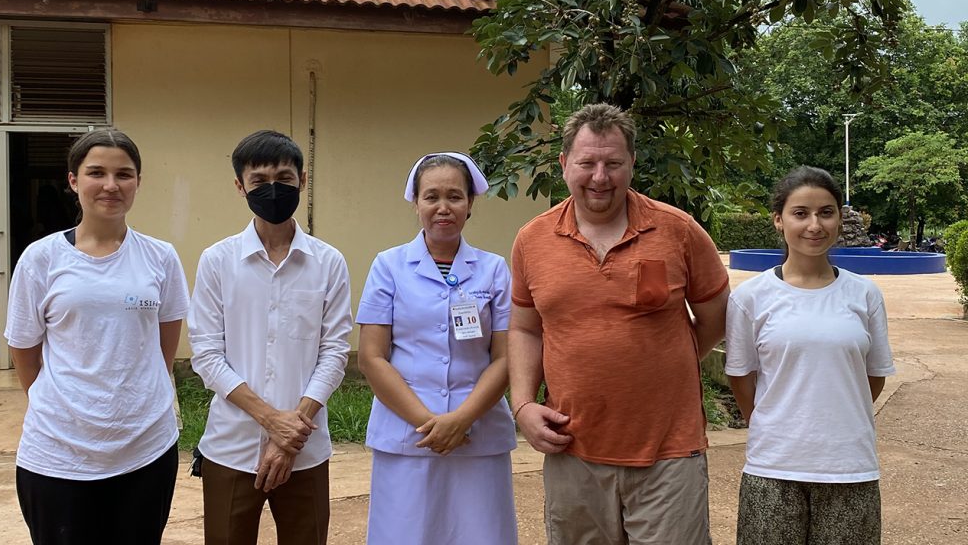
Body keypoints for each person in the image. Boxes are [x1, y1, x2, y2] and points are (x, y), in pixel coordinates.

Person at [508, 103, 730, 544]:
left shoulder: (678, 231)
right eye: (587, 163)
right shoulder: (533, 240)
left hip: (669, 454)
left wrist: (659, 365)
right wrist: (522, 405)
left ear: (632, 163)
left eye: (613, 163)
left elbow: (715, 318)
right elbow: (525, 328)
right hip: (573, 449)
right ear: (564, 163)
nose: (599, 177)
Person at [5, 129, 188, 545]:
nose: (111, 185)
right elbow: (24, 349)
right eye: (96, 172)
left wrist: (135, 395)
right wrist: (64, 402)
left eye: (124, 174)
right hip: (58, 453)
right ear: (73, 181)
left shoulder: (161, 257)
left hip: (146, 448)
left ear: (138, 182)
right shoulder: (41, 258)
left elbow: (164, 346)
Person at [189, 130, 353, 545]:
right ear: (240, 186)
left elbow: (334, 352)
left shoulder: (328, 262)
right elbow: (207, 354)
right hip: (231, 448)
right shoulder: (217, 261)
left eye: (284, 176)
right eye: (259, 180)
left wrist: (291, 432)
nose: (273, 188)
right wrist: (271, 420)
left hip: (306, 450)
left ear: (303, 179)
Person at [725, 166, 896, 545]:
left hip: (849, 467)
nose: (814, 225)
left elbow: (874, 375)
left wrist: (837, 415)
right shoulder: (750, 298)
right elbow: (740, 375)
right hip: (773, 465)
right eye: (800, 213)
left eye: (826, 212)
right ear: (778, 220)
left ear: (838, 218)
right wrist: (775, 421)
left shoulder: (864, 295)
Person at [357, 152, 518, 545]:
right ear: (416, 203)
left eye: (454, 196)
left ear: (470, 204)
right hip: (407, 434)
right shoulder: (388, 266)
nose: (443, 208)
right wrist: (429, 424)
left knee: (481, 535)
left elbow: (506, 356)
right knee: (405, 535)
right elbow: (372, 356)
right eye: (431, 197)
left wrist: (461, 419)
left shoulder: (494, 269)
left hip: (477, 433)